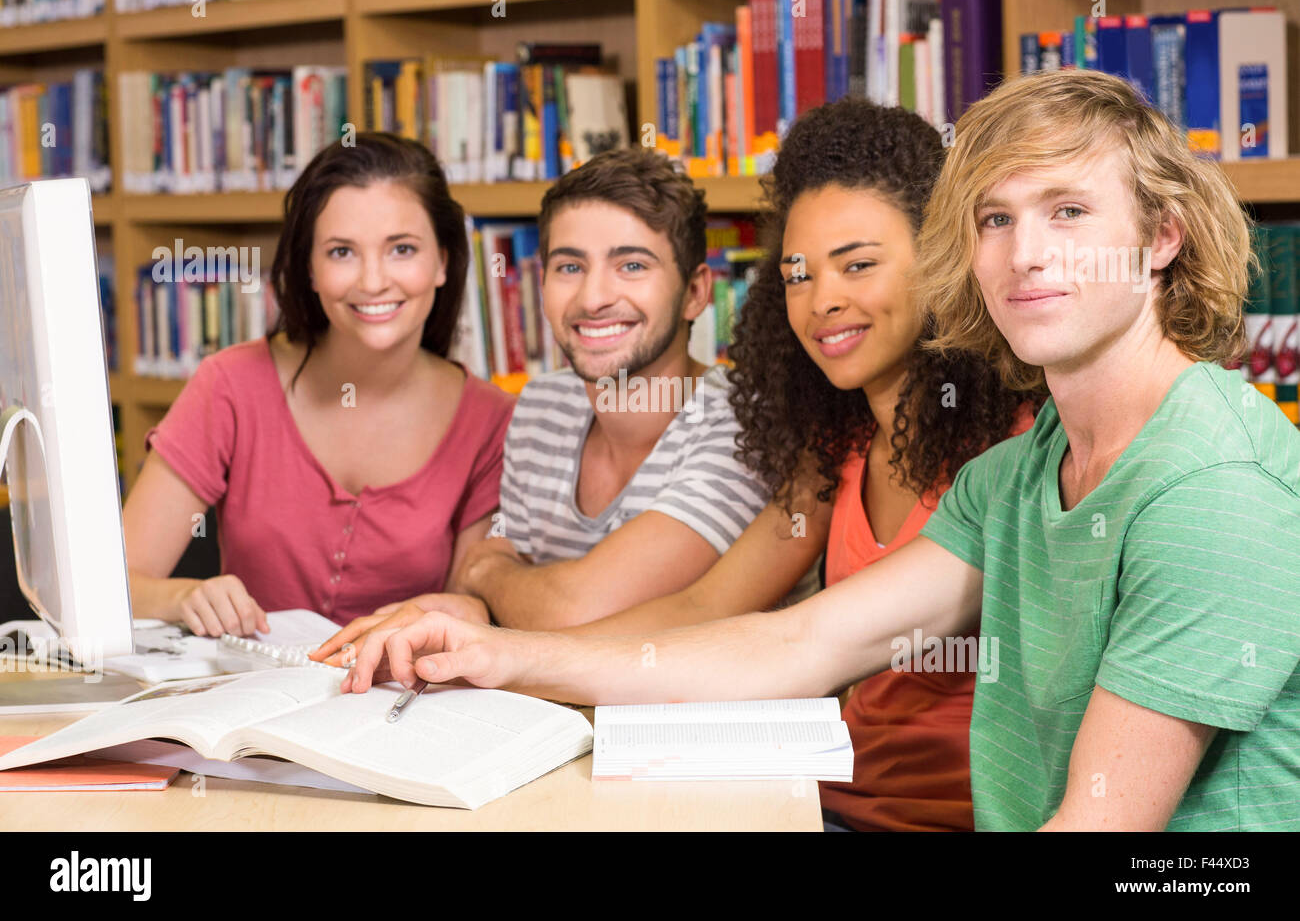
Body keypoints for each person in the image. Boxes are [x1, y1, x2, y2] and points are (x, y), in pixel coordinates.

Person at [347, 70, 1300, 831]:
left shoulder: (1212, 489)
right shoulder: (1018, 471)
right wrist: (496, 655)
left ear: (1163, 236)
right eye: (995, 220)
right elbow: (804, 639)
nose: (1025, 254)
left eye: (1069, 212)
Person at [323, 99, 1039, 831]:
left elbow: (799, 643)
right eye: (798, 274)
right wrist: (493, 651)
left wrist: (503, 638)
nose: (824, 300)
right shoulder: (836, 448)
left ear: (942, 260)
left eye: (858, 265)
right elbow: (703, 609)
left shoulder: (1015, 453)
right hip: (813, 800)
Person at [312, 147, 788, 649]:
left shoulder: (742, 422)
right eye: (569, 267)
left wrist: (488, 575)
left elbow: (573, 609)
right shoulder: (543, 406)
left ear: (694, 293)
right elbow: (481, 590)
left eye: (631, 265)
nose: (593, 297)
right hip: (555, 713)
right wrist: (483, 590)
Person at [123, 133, 515, 635]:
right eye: (341, 252)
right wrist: (183, 595)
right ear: (308, 268)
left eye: (402, 249)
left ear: (442, 262)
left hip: (403, 704)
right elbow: (119, 585)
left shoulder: (492, 422)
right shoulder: (231, 386)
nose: (372, 281)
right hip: (251, 697)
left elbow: (471, 610)